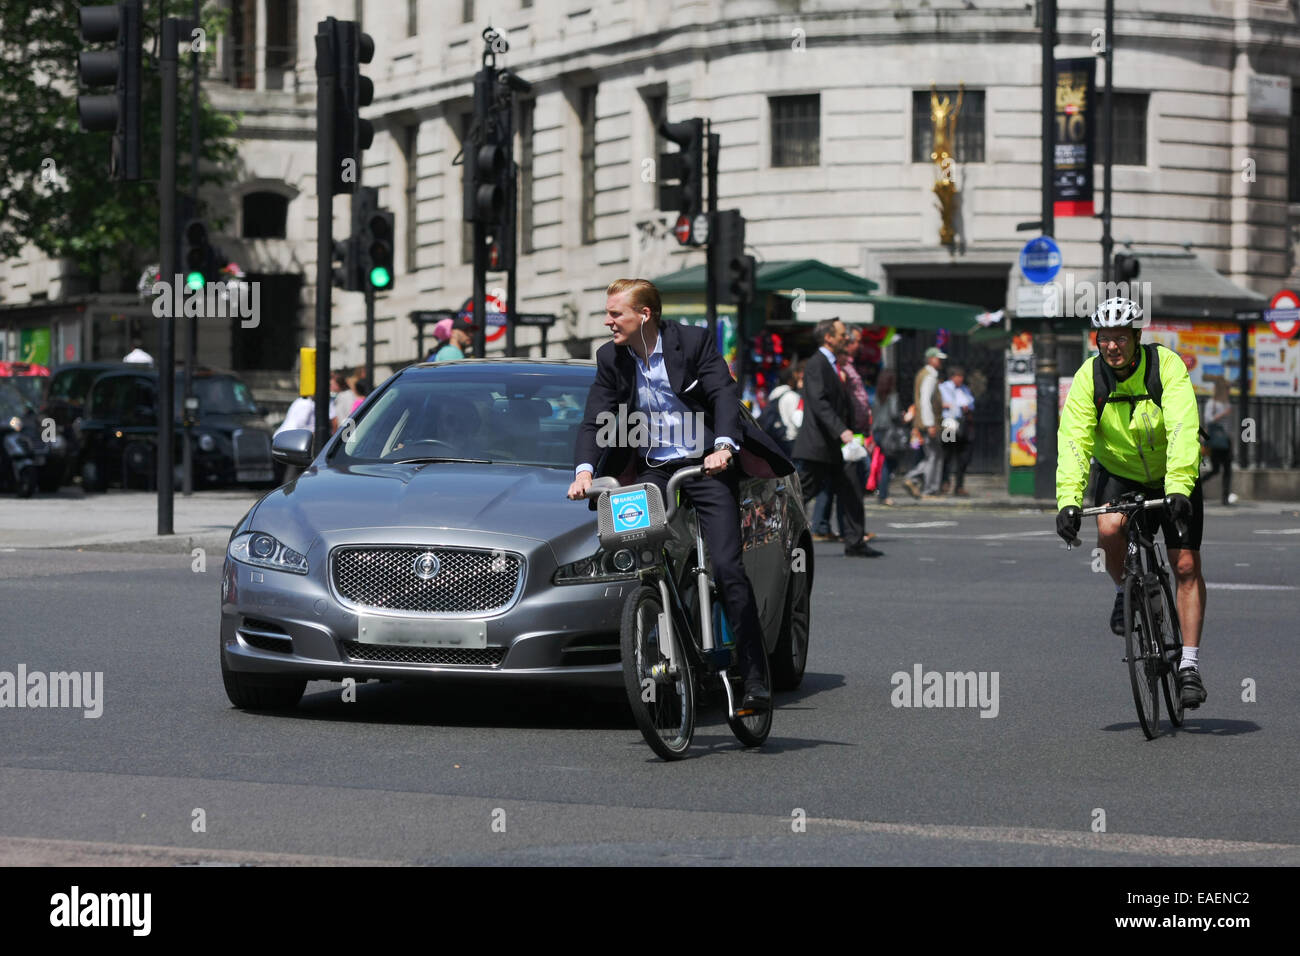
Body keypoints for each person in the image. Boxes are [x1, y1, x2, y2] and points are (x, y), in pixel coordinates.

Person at [568, 279, 794, 711]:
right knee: (637, 548)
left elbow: (723, 394)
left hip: (706, 462)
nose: (608, 320)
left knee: (728, 567)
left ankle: (754, 677)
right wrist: (583, 472)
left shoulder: (692, 342)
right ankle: (657, 616)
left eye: (616, 313)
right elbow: (596, 419)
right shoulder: (610, 357)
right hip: (654, 466)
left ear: (644, 315)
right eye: (608, 313)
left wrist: (725, 446)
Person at [1054, 297, 1208, 709]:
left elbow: (1181, 425)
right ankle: (1129, 591)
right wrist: (1068, 501)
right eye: (1104, 338)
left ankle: (1189, 665)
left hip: (1172, 473)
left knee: (1186, 565)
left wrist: (1177, 486)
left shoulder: (1166, 366)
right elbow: (1074, 440)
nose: (1111, 346)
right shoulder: (1090, 377)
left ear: (1137, 336)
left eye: (1120, 337)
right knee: (1108, 529)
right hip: (1119, 471)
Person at [792, 318, 880, 557]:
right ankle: (776, 535)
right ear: (828, 338)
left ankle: (855, 541)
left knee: (851, 488)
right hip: (819, 444)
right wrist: (841, 430)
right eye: (842, 335)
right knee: (801, 493)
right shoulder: (816, 364)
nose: (847, 339)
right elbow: (819, 403)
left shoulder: (832, 365)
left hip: (838, 445)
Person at [903, 346, 946, 498]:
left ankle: (920, 481)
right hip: (928, 423)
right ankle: (926, 486)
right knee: (934, 455)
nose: (940, 361)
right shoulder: (929, 376)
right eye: (938, 358)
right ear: (930, 359)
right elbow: (925, 401)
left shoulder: (924, 374)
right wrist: (930, 424)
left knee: (932, 455)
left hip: (924, 422)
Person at [939, 365, 976, 496]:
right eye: (958, 376)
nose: (960, 379)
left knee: (963, 455)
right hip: (949, 422)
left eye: (962, 376)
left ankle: (959, 485)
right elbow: (937, 403)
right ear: (952, 377)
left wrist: (967, 406)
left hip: (963, 423)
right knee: (947, 454)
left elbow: (972, 402)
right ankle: (945, 481)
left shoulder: (964, 389)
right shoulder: (943, 388)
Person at [870, 369, 905, 505]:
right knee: (889, 464)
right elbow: (895, 414)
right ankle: (883, 494)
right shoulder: (893, 396)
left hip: (878, 431)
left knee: (884, 462)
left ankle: (881, 491)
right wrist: (904, 416)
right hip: (889, 433)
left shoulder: (877, 395)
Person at [1202, 377, 1236, 506]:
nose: (1229, 391)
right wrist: (1223, 414)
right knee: (1215, 469)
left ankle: (1225, 497)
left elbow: (1229, 426)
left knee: (1228, 470)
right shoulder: (1212, 403)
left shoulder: (1227, 404)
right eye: (1227, 389)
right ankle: (1198, 486)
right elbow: (1208, 420)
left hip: (1226, 441)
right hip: (1216, 441)